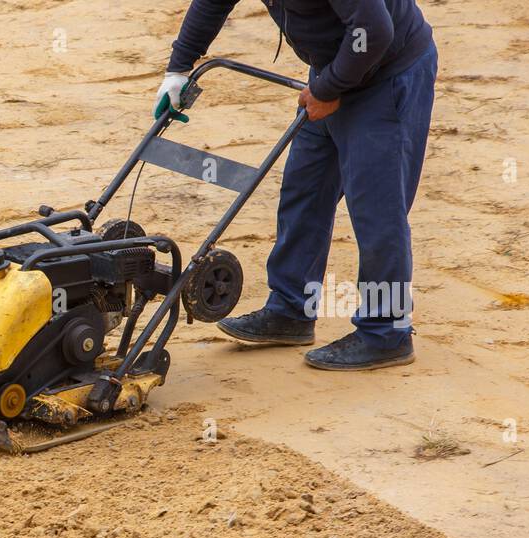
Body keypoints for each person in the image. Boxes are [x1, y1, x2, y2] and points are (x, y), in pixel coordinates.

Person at [156, 0, 437, 370]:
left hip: (386, 74)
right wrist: (179, 68)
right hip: (335, 69)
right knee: (304, 190)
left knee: (377, 211)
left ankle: (386, 332)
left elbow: (373, 31)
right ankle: (291, 310)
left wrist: (328, 89)